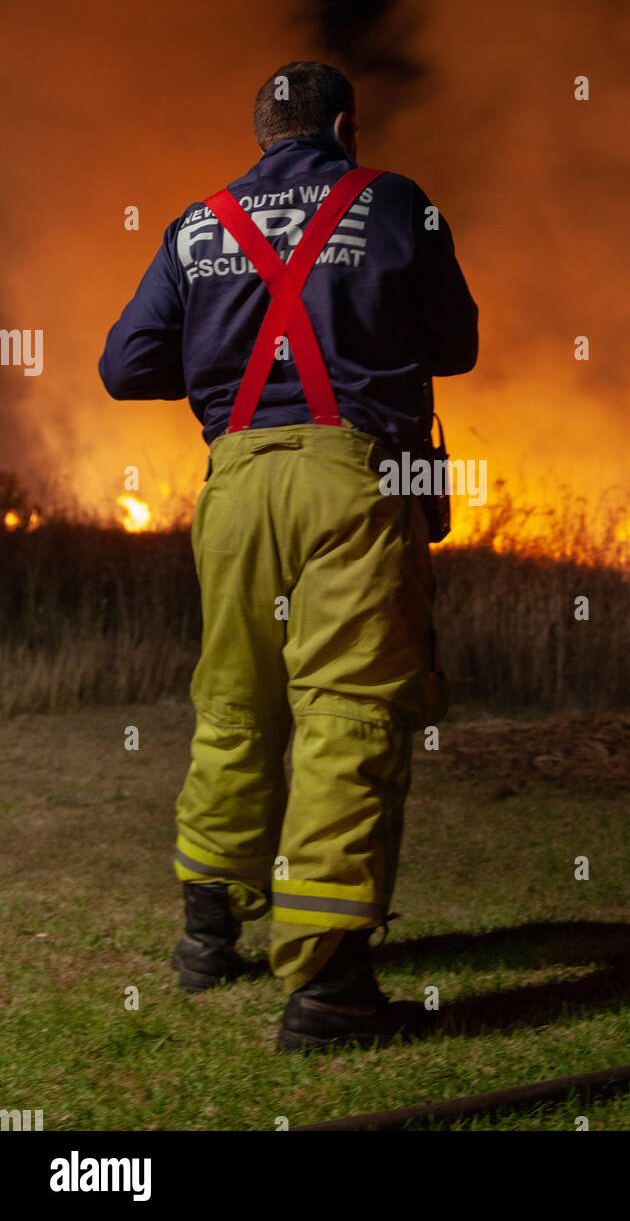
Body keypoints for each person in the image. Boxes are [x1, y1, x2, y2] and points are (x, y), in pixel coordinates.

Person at [98, 60, 478, 1052]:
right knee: (347, 710)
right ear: (343, 125)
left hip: (234, 485)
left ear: (263, 132)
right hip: (355, 478)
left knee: (234, 698)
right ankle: (329, 987)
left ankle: (207, 932)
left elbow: (124, 365)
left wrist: (229, 363)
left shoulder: (197, 223)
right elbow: (458, 340)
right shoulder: (393, 201)